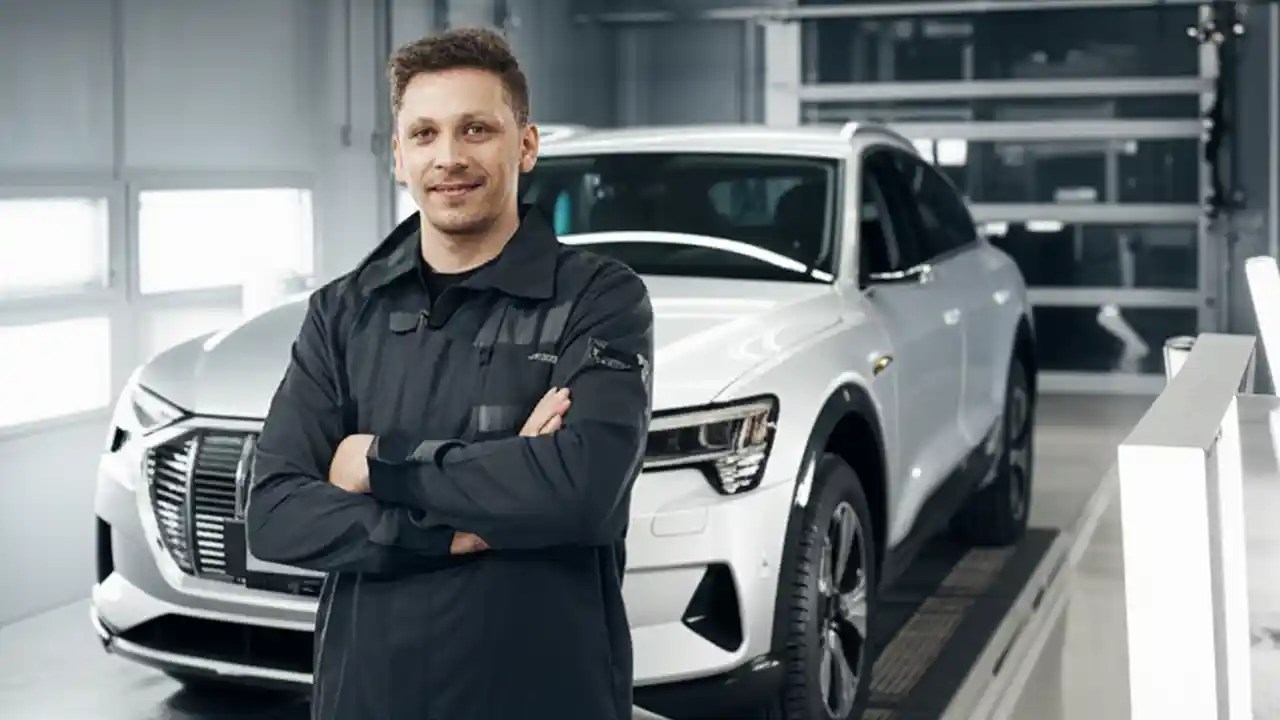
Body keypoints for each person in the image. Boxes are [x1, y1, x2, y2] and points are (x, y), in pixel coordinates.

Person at [245, 26, 654, 720]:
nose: (450, 157)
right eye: (426, 134)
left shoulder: (597, 297)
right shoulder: (342, 312)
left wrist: (375, 463)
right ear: (399, 156)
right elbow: (276, 515)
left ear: (525, 145)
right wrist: (463, 519)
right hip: (368, 696)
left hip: (543, 693)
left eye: (476, 130)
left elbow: (581, 490)